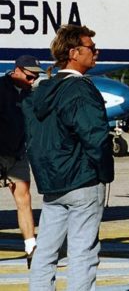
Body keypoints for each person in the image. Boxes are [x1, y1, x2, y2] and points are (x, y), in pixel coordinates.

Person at [22, 24, 114, 290]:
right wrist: (105, 172)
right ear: (74, 52)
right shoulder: (80, 89)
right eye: (92, 48)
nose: (97, 52)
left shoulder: (42, 90)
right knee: (83, 253)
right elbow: (95, 135)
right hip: (82, 180)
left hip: (52, 182)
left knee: (45, 252)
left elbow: (34, 137)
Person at [1, 55, 42, 267]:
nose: (32, 80)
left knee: (24, 199)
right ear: (16, 70)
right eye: (29, 76)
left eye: (35, 76)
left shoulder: (29, 93)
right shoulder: (1, 88)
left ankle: (30, 247)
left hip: (17, 154)